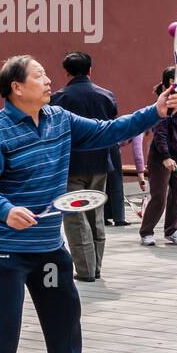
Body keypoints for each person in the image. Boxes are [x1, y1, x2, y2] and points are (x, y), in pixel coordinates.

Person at [0, 55, 177, 353]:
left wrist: (156, 111)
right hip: (7, 249)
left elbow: (109, 130)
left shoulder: (59, 119)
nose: (49, 81)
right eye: (39, 76)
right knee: (5, 323)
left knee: (64, 315)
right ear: (17, 87)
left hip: (48, 245)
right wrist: (5, 209)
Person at [50, 51, 118, 281]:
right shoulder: (106, 96)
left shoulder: (59, 98)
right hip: (100, 163)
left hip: (72, 165)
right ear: (90, 70)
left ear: (67, 72)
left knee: (75, 218)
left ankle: (86, 270)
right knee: (95, 214)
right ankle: (96, 266)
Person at [139, 66, 177, 247]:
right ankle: (146, 232)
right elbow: (160, 133)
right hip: (160, 159)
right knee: (159, 197)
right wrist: (165, 156)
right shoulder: (166, 105)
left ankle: (172, 231)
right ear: (173, 81)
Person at [105, 135, 146, 226]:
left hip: (102, 144)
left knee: (105, 182)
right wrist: (141, 176)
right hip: (112, 146)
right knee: (117, 183)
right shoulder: (139, 126)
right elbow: (137, 153)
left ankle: (104, 217)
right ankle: (119, 218)